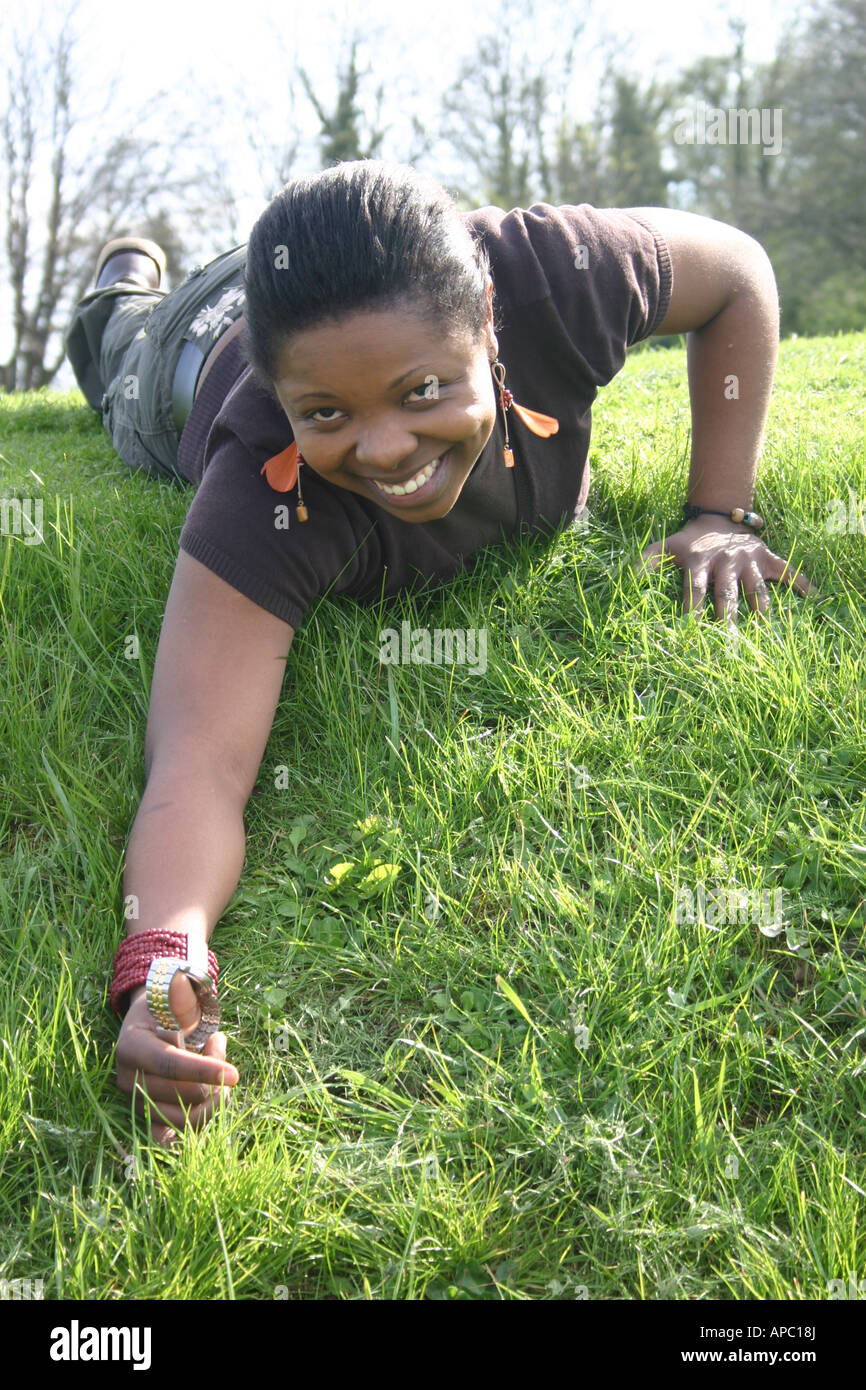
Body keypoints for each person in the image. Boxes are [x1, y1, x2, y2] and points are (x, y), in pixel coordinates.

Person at [65, 159, 812, 1147]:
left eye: (421, 389)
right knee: (116, 345)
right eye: (326, 413)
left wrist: (717, 514)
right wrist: (165, 962)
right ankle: (124, 282)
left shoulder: (559, 272)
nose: (383, 450)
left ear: (490, 323)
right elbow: (198, 763)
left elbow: (737, 274)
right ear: (282, 397)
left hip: (292, 280)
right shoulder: (261, 480)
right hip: (179, 361)